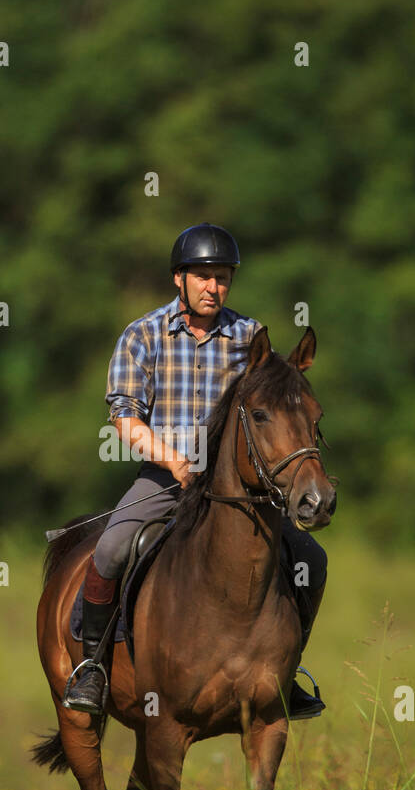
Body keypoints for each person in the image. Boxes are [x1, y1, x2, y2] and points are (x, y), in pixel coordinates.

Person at [63, 222, 327, 717]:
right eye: (203, 276)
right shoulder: (143, 335)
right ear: (178, 280)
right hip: (166, 477)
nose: (214, 287)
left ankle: (286, 675)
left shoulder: (250, 338)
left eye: (223, 277)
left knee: (310, 560)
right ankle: (92, 669)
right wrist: (177, 463)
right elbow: (124, 417)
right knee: (113, 546)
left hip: (239, 487)